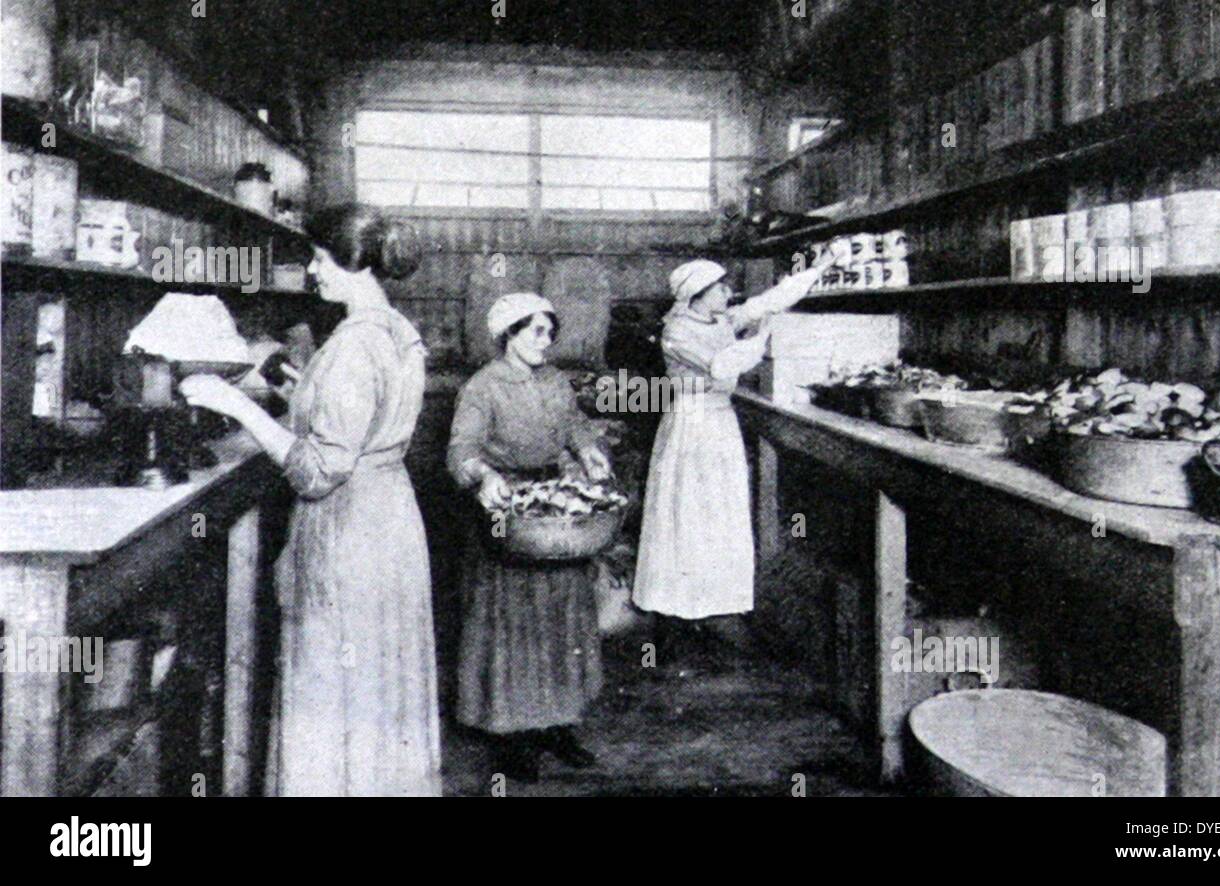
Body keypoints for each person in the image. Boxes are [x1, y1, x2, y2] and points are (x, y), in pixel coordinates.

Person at [179, 204, 441, 796]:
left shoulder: (352, 345)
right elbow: (358, 418)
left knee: (333, 682)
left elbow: (320, 470)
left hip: (347, 528)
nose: (313, 272)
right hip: (389, 520)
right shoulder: (396, 332)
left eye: (320, 259)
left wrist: (236, 404)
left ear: (353, 263)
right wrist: (286, 383)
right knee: (379, 681)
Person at [632, 241, 850, 664]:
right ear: (695, 296)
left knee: (721, 520)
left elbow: (772, 299)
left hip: (718, 423)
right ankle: (671, 623)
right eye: (717, 288)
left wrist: (821, 266)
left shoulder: (720, 318)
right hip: (690, 429)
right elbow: (722, 365)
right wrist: (764, 336)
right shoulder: (677, 331)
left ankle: (715, 612)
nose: (726, 294)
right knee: (683, 522)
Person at [447, 292, 613, 783]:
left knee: (563, 618)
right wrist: (483, 475)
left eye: (549, 332)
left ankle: (558, 726)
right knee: (515, 627)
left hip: (555, 511)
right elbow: (461, 449)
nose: (546, 341)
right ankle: (514, 737)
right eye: (535, 331)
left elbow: (574, 425)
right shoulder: (482, 387)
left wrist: (589, 450)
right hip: (507, 512)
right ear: (508, 335)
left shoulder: (555, 380)